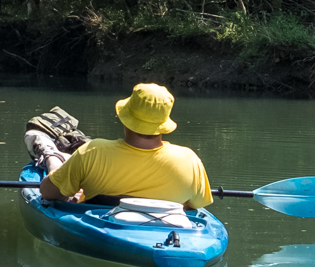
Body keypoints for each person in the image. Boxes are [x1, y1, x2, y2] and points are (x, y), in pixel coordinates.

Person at [39, 83, 214, 212]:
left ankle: (52, 156)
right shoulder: (189, 159)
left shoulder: (92, 151)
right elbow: (195, 206)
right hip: (166, 231)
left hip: (102, 229)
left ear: (125, 119)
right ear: (164, 122)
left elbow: (48, 193)